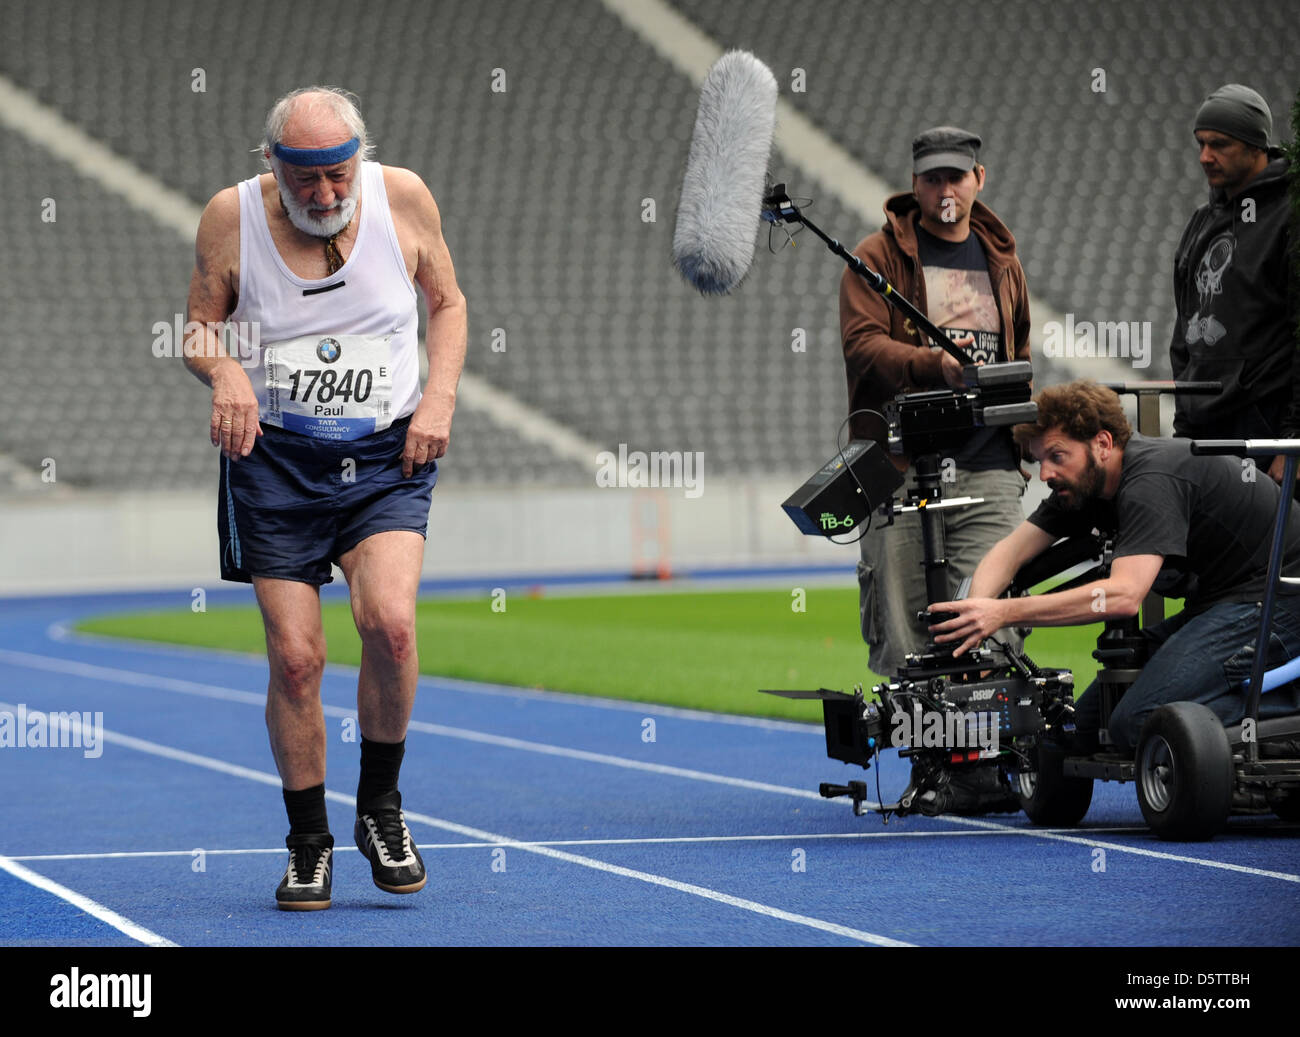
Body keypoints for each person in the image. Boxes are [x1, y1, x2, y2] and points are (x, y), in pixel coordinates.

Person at [183, 86, 468, 910]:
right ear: (272, 165)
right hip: (276, 462)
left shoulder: (403, 197)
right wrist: (225, 367)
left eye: (338, 175)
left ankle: (380, 806)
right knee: (298, 658)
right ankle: (308, 842)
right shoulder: (228, 218)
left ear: (360, 160)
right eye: (305, 179)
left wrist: (440, 396)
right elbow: (197, 326)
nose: (325, 196)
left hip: (386, 450)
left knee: (391, 621)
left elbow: (446, 303)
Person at [928, 380, 1300, 753]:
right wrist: (973, 626)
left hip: (1279, 597)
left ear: (1103, 444)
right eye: (1040, 460)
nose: (1045, 475)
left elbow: (1123, 597)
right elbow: (1008, 553)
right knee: (1075, 730)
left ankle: (1288, 717)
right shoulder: (1083, 486)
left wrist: (1002, 613)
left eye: (1056, 456)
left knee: (1140, 721)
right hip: (1224, 602)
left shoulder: (1150, 479)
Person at [839, 125, 1032, 677]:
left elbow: (1018, 356)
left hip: (989, 469)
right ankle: (929, 762)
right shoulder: (876, 256)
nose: (945, 190)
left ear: (979, 179)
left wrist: (1027, 433)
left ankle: (992, 759)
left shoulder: (1003, 261)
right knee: (905, 639)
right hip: (898, 468)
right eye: (933, 179)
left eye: (956, 177)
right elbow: (862, 346)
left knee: (993, 630)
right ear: (915, 185)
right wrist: (935, 364)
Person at [1169, 84, 1296, 484]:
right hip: (1205, 430)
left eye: (1220, 145)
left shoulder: (1290, 215)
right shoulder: (1202, 221)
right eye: (1201, 144)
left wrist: (1293, 438)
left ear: (1256, 144)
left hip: (1266, 431)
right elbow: (1184, 331)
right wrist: (1184, 425)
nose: (1206, 156)